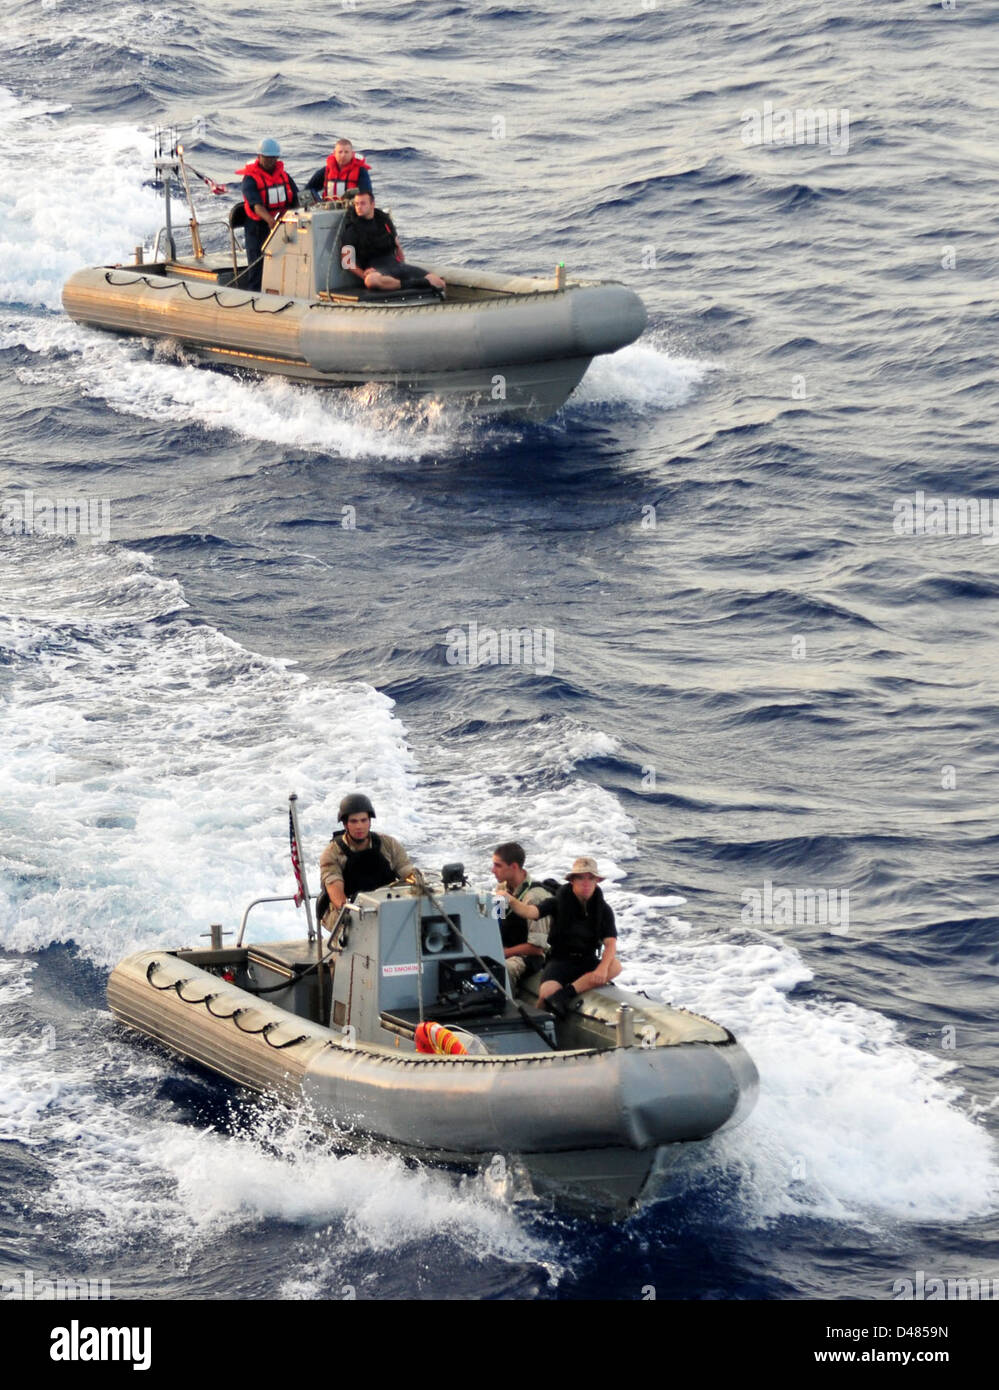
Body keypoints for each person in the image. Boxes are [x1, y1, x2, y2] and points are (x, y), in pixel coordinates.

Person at [494, 856, 621, 1018]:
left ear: (597, 882)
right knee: (546, 994)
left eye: (591, 879)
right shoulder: (558, 902)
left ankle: (565, 995)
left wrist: (603, 968)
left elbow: (610, 944)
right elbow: (531, 912)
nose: (586, 883)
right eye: (581, 878)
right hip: (561, 960)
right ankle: (537, 1026)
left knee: (615, 966)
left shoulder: (603, 909)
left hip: (587, 959)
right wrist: (510, 900)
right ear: (572, 881)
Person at [318, 794, 415, 920]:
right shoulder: (332, 853)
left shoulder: (388, 844)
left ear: (370, 821)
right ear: (345, 824)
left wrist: (421, 887)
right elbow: (335, 889)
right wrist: (347, 912)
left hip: (387, 904)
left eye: (363, 820)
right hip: (348, 910)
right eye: (354, 821)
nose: (359, 826)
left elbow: (408, 872)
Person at [339, 190, 446, 293]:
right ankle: (408, 284)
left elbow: (397, 246)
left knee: (439, 283)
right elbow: (347, 262)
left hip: (396, 264)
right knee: (371, 281)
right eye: (356, 204)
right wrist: (364, 275)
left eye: (363, 203)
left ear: (372, 204)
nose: (359, 207)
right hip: (377, 269)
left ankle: (408, 283)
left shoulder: (384, 222)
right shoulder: (352, 230)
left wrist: (403, 265)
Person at [235, 138, 300, 292]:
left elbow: (296, 198)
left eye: (273, 157)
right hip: (258, 228)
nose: (270, 161)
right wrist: (270, 221)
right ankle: (255, 294)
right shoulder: (250, 179)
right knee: (257, 267)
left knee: (284, 262)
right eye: (267, 157)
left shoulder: (284, 176)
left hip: (282, 226)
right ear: (259, 156)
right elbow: (256, 205)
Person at [490, 842, 553, 989]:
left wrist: (504, 953)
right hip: (507, 947)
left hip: (528, 958)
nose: (493, 870)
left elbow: (537, 948)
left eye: (498, 866)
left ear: (514, 867)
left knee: (505, 970)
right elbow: (496, 922)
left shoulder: (534, 898)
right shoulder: (502, 889)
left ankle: (505, 1006)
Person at [306, 137, 373, 202]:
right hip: (327, 208)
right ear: (334, 153)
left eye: (346, 152)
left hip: (352, 209)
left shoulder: (361, 171)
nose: (343, 155)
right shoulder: (327, 170)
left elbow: (367, 194)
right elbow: (308, 189)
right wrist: (318, 202)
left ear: (352, 154)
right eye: (340, 152)